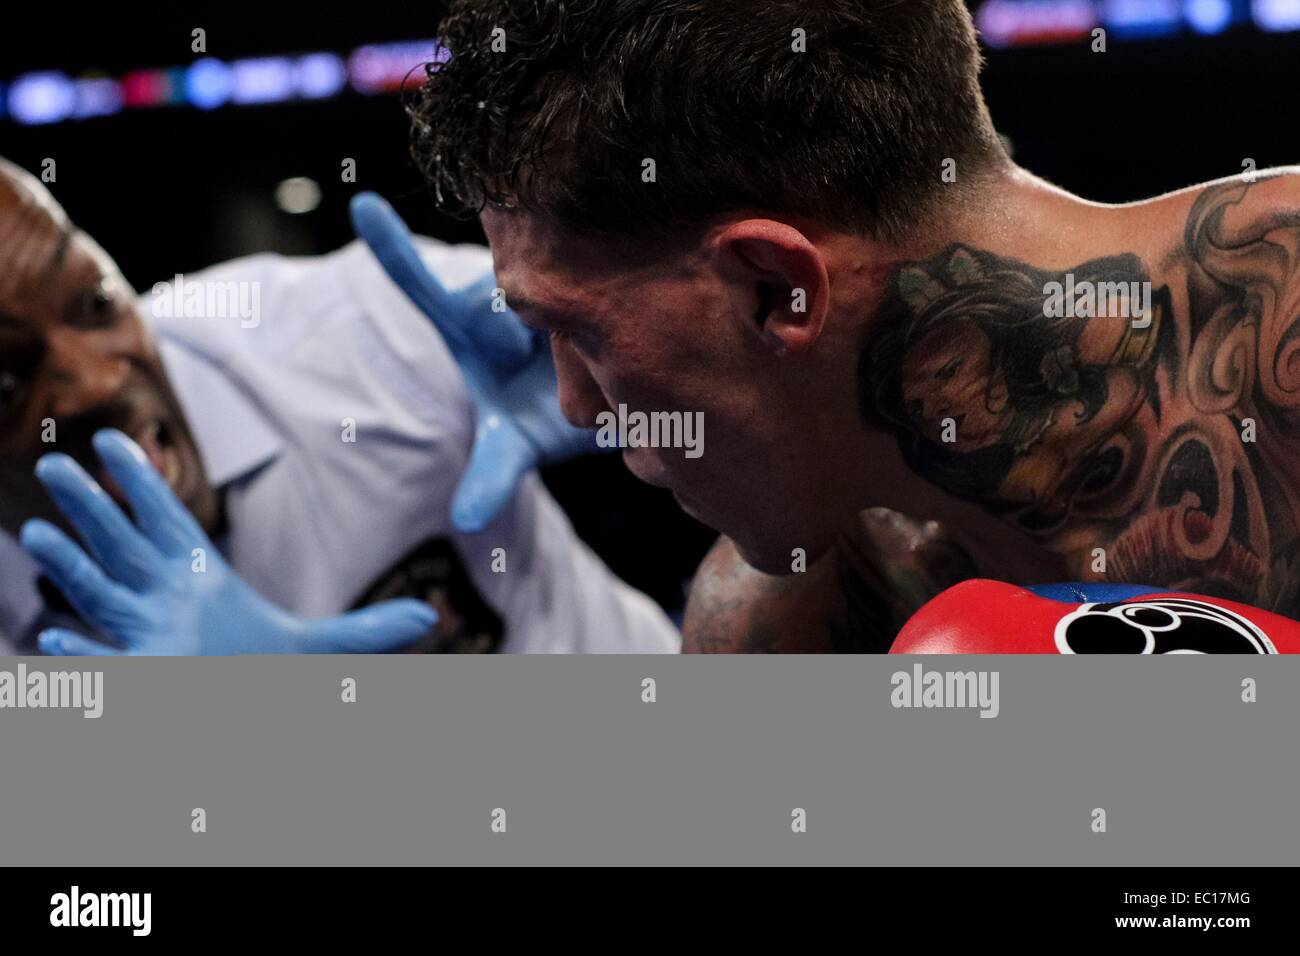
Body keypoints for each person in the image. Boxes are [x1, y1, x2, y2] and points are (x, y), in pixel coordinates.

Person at [395, 0, 1300, 650]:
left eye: (578, 329)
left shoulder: (1278, 302)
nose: (576, 405)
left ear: (774, 288)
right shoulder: (782, 629)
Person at [0, 159, 678, 655]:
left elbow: (727, 340)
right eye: (6, 383)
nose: (94, 381)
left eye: (96, 304)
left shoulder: (363, 329)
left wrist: (608, 354)